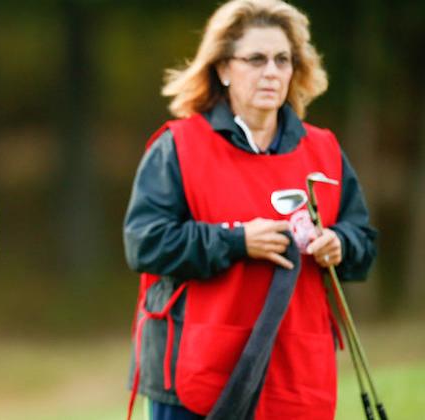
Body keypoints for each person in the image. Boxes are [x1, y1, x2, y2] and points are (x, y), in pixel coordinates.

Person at [122, 0, 376, 419]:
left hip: (298, 372)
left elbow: (362, 239)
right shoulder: (178, 146)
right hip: (196, 373)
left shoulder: (324, 150)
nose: (271, 72)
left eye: (282, 59)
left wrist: (341, 244)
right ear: (223, 68)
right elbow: (145, 243)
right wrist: (237, 240)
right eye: (255, 59)